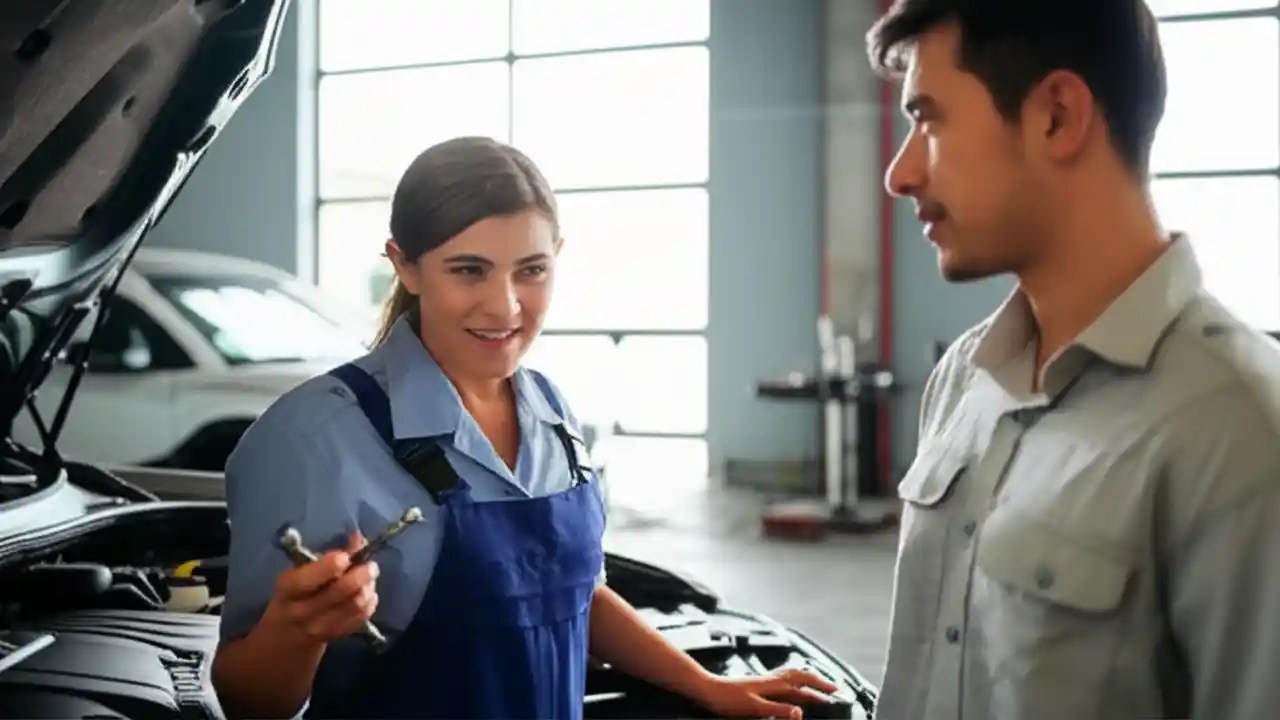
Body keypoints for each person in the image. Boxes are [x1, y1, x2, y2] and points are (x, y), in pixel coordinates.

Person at [209, 135, 838, 720]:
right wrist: (295, 631)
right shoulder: (311, 439)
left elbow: (572, 597)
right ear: (405, 266)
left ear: (557, 259)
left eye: (531, 270)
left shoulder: (553, 414)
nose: (506, 305)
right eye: (468, 270)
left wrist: (708, 687)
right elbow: (246, 700)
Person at [865, 1, 1280, 719]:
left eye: (928, 120)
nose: (899, 175)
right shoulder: (964, 380)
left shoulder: (1237, 431)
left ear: (1056, 115)